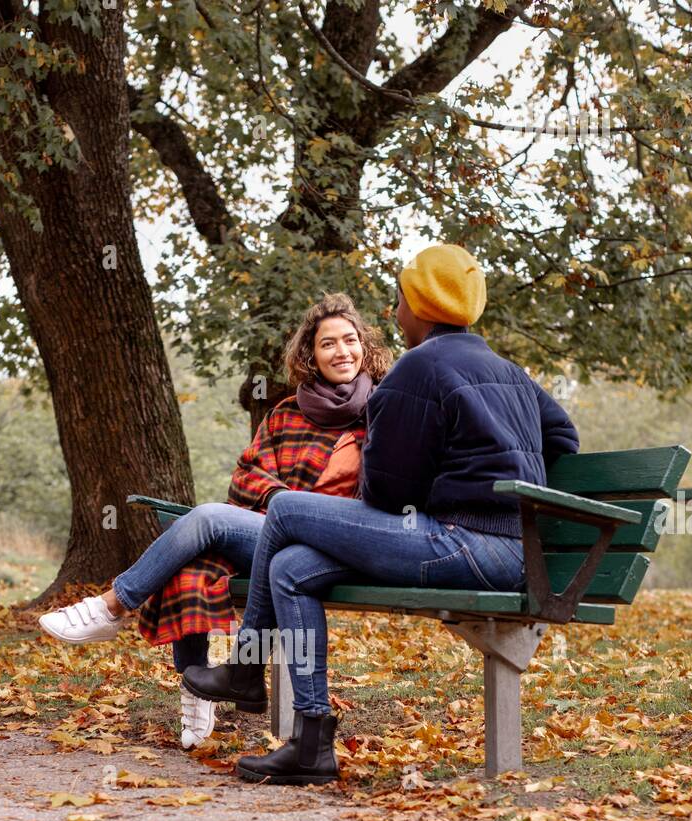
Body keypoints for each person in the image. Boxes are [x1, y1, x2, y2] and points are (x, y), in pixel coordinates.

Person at [181, 243, 580, 785]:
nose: (395, 314)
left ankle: (248, 669)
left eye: (398, 302)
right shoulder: (509, 371)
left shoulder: (417, 370)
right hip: (512, 549)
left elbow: (389, 496)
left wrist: (456, 485)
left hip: (462, 544)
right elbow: (563, 437)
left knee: (286, 509)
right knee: (290, 568)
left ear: (420, 306)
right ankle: (311, 743)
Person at [37, 294, 392, 749]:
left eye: (350, 340)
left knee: (205, 519)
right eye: (328, 344)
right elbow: (247, 474)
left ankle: (112, 605)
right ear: (310, 354)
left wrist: (311, 515)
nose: (342, 351)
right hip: (271, 532)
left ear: (365, 347)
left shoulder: (380, 412)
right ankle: (196, 689)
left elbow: (385, 486)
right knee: (189, 570)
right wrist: (285, 502)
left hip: (332, 546)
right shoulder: (285, 413)